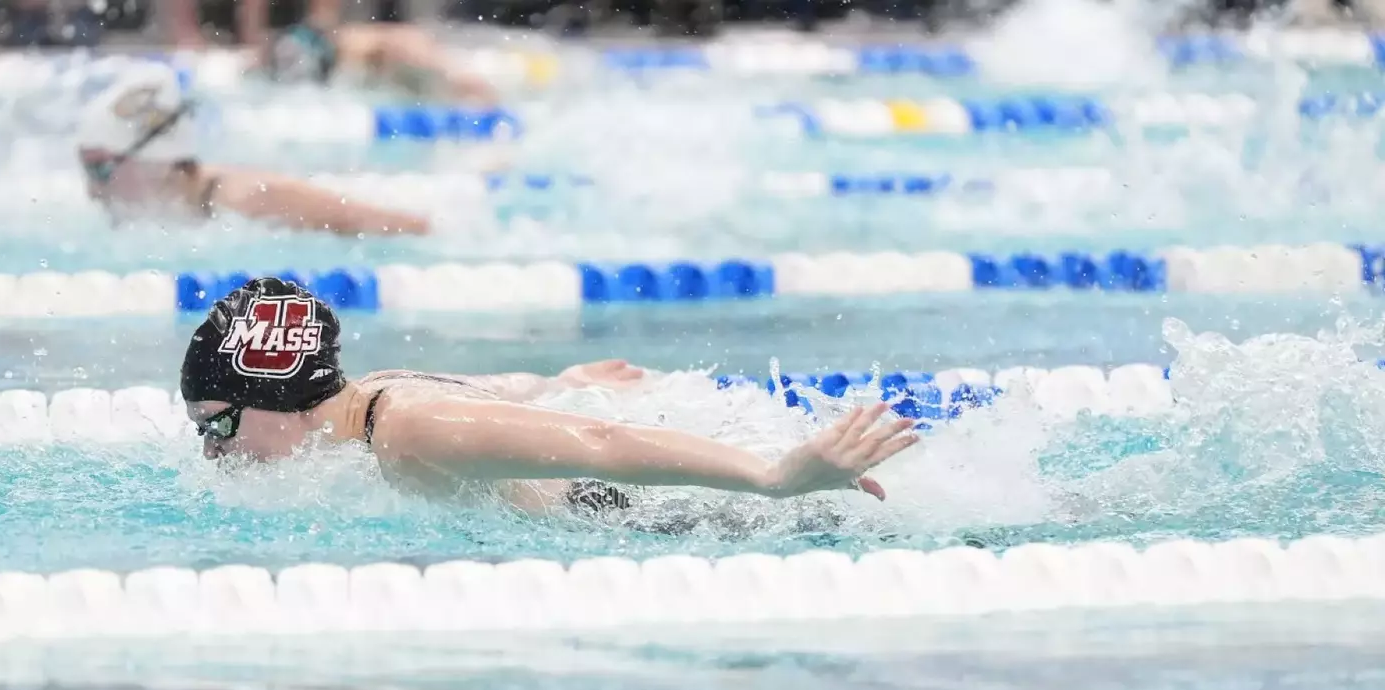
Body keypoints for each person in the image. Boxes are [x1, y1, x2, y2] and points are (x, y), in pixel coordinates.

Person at [181, 277, 920, 515]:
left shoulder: (406, 430)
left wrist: (776, 479)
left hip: (657, 520)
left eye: (217, 428)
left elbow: (605, 446)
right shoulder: (373, 397)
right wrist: (565, 383)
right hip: (622, 500)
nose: (212, 452)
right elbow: (500, 392)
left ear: (275, 397)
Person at [76, 63, 430, 236]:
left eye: (100, 170)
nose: (93, 191)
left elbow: (403, 228)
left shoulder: (247, 198)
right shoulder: (176, 212)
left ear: (154, 159)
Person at [164, 0, 499, 105]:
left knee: (397, 46)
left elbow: (323, 21)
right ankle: (469, 89)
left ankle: (463, 90)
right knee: (396, 43)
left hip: (297, 49)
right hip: (278, 55)